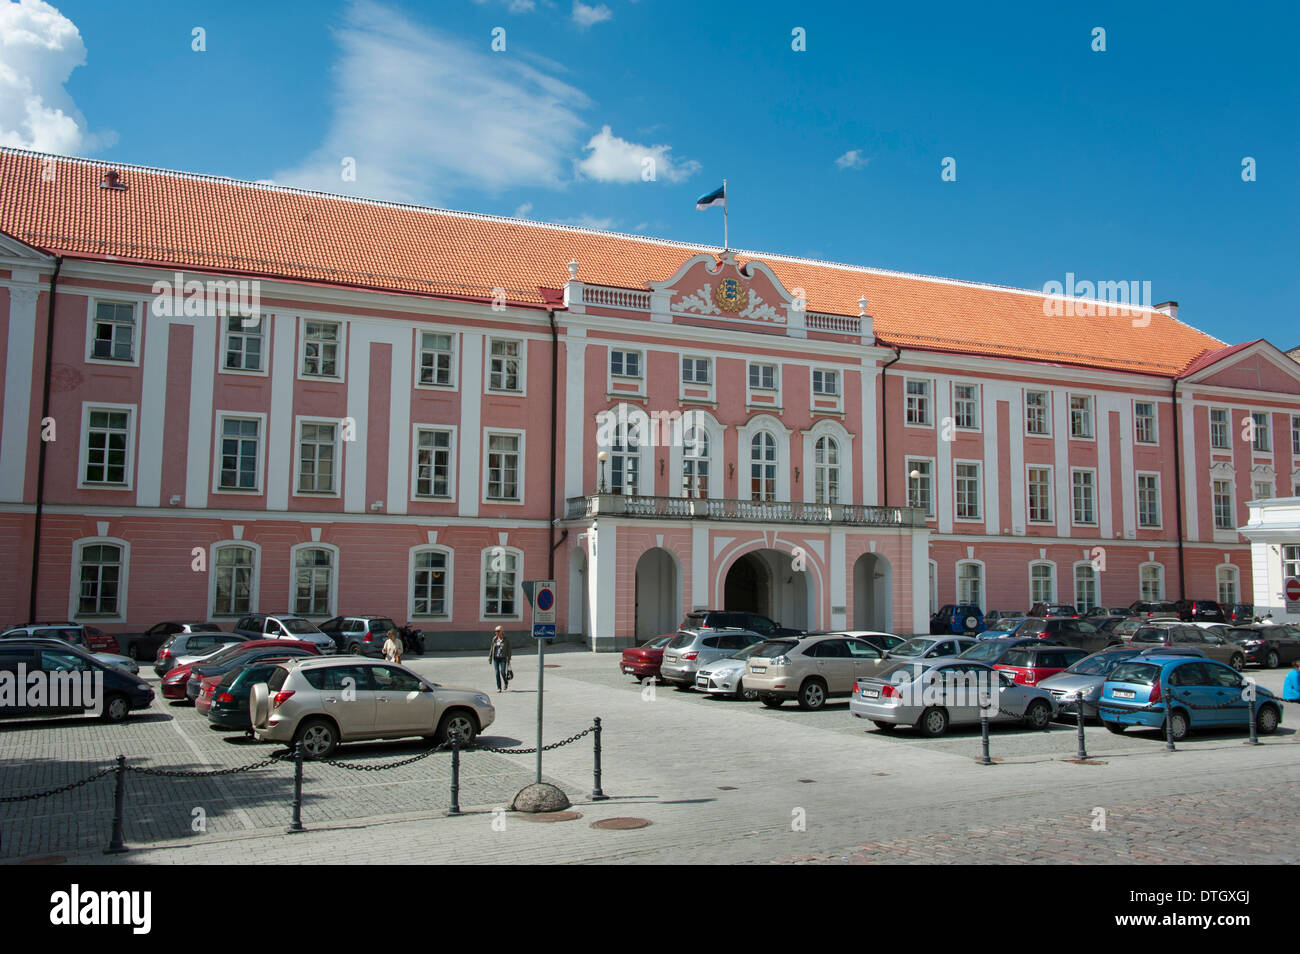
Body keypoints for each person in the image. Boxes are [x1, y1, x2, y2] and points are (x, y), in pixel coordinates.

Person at [489, 626, 512, 692]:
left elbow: (509, 649)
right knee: (497, 673)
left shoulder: (506, 639)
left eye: (498, 631)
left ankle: (506, 682)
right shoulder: (494, 639)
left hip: (503, 658)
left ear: (502, 631)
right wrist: (490, 657)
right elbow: (491, 648)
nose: (496, 632)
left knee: (502, 672)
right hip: (495, 658)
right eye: (495, 631)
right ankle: (499, 687)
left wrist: (509, 658)